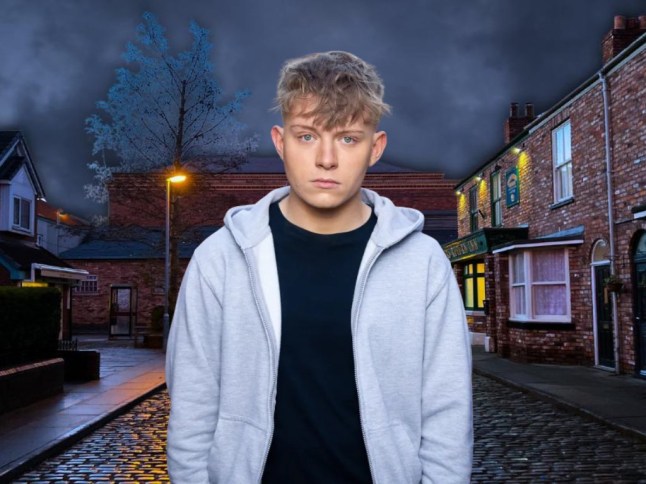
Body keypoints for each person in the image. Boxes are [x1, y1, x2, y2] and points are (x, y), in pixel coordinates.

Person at [166, 51, 473, 483]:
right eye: (307, 136)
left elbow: (447, 410)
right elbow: (193, 407)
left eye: (348, 138)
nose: (326, 158)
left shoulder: (423, 263)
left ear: (375, 148)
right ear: (280, 141)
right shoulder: (219, 259)